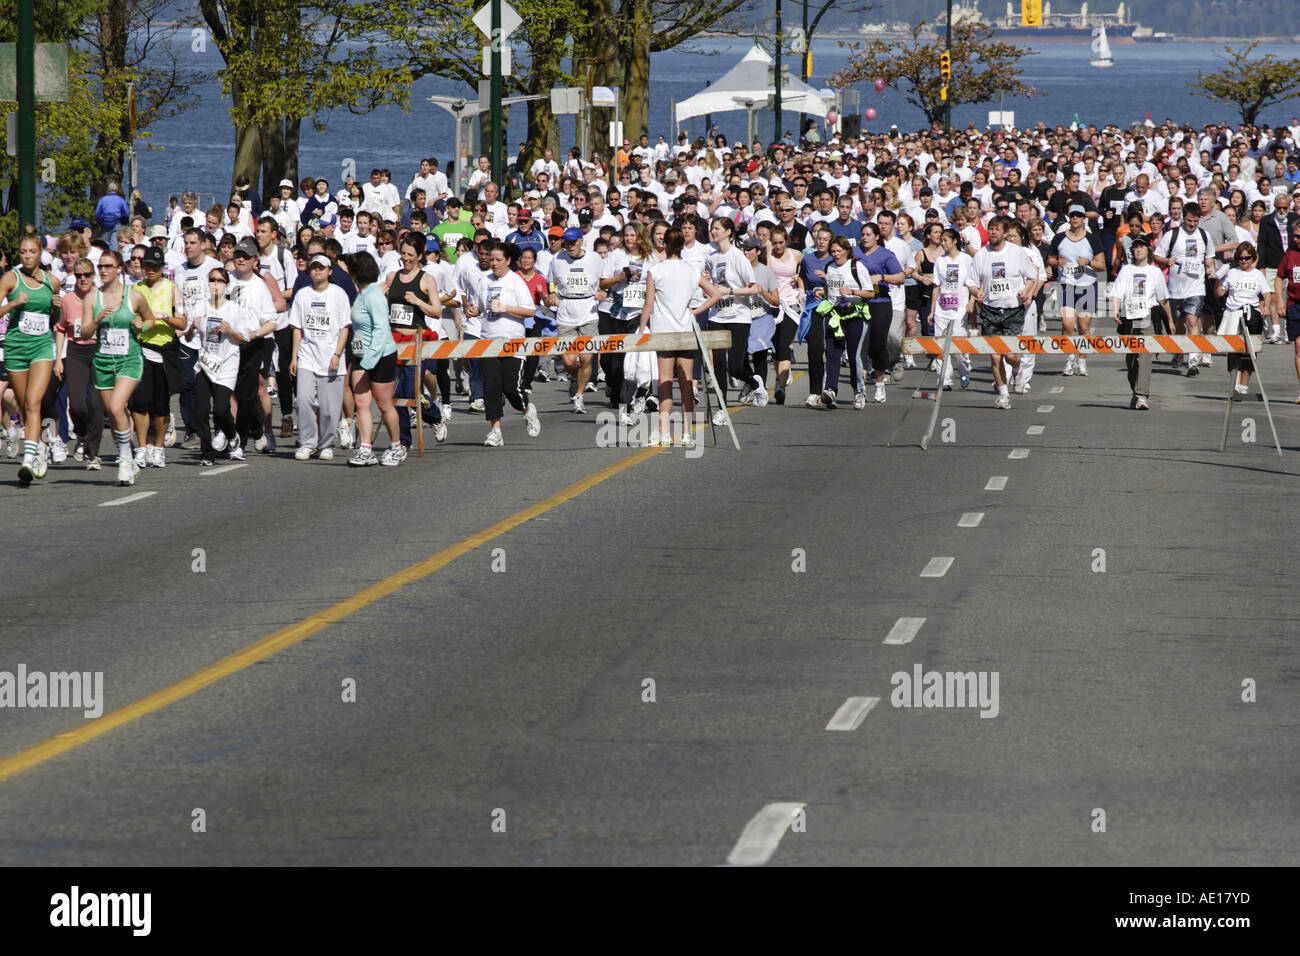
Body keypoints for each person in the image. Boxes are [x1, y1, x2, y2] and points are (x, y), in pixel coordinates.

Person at [80, 250, 164, 486]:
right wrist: (96, 320)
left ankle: (126, 459)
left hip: (130, 358)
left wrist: (142, 326)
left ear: (119, 268)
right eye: (101, 267)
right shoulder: (92, 298)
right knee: (115, 413)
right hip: (104, 361)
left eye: (108, 266)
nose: (103, 271)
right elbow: (84, 332)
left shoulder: (133, 296)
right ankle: (128, 453)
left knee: (118, 406)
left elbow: (149, 319)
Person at [462, 241, 540, 446]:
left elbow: (530, 311)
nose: (494, 263)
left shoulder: (515, 281)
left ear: (507, 261)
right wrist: (472, 311)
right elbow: (479, 307)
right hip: (489, 340)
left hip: (513, 341)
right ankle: (495, 431)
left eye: (498, 260)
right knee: (491, 388)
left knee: (511, 388)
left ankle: (527, 410)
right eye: (491, 259)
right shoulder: (484, 281)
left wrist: (505, 308)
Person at [0, 230, 62, 485]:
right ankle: (38, 449)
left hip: (41, 348)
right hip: (15, 347)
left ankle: (27, 461)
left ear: (40, 253)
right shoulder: (10, 278)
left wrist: (56, 309)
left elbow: (54, 321)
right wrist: (14, 304)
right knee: (25, 405)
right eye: (23, 252)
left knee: (34, 403)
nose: (27, 256)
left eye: (32, 251)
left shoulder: (52, 282)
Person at [639, 224, 709, 446]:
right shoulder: (691, 270)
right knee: (686, 382)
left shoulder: (656, 270)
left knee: (666, 382)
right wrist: (696, 311)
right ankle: (688, 432)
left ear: (666, 244)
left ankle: (664, 431)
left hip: (664, 333)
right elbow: (715, 293)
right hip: (685, 330)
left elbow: (648, 304)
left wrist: (641, 329)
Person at [698, 217, 762, 422]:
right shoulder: (711, 257)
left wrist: (730, 291)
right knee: (717, 365)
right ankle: (721, 409)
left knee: (735, 367)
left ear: (727, 232)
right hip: (717, 315)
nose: (713, 231)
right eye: (712, 228)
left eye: (717, 228)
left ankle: (754, 383)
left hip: (739, 316)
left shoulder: (738, 257)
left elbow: (754, 288)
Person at [969, 216, 1036, 409]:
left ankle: (1017, 370)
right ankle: (1003, 394)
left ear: (1005, 233)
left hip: (1012, 309)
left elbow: (1031, 275)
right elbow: (971, 281)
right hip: (990, 310)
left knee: (1011, 355)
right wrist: (976, 292)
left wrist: (1026, 290)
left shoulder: (1017, 253)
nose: (993, 232)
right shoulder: (981, 255)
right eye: (991, 229)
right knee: (994, 355)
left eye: (997, 229)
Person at [343, 252, 404, 465]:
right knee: (361, 403)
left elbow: (381, 329)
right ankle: (366, 448)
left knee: (384, 403)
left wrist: (370, 359)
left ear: (356, 273)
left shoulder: (374, 295)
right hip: (360, 353)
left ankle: (397, 446)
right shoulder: (361, 294)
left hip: (381, 354)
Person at [288, 254, 351, 459]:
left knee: (329, 407)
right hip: (307, 355)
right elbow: (297, 328)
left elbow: (344, 327)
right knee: (303, 401)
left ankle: (326, 444)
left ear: (329, 271)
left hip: (331, 357)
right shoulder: (302, 295)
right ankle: (308, 442)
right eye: (314, 267)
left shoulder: (338, 294)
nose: (317, 271)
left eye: (321, 268)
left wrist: (337, 354)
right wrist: (294, 357)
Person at [129, 246, 187, 468]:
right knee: (140, 402)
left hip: (164, 350)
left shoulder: (172, 289)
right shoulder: (136, 289)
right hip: (141, 347)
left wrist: (163, 317)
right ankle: (142, 447)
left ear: (162, 267)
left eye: (155, 266)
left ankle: (159, 447)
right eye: (147, 266)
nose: (150, 270)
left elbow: (183, 322)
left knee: (161, 404)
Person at [193, 266, 256, 464]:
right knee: (201, 410)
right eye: (212, 280)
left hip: (226, 364)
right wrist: (191, 327)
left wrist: (230, 332)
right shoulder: (201, 306)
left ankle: (231, 434)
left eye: (220, 281)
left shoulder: (235, 309)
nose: (216, 284)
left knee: (220, 410)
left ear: (227, 285)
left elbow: (245, 338)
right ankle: (207, 453)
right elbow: (187, 334)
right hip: (205, 363)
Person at [545, 226, 606, 413]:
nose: (570, 245)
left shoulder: (594, 259)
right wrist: (553, 294)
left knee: (587, 357)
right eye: (567, 242)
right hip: (566, 313)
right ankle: (575, 378)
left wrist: (603, 292)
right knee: (570, 361)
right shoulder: (557, 259)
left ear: (581, 241)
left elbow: (603, 281)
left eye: (573, 242)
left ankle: (579, 396)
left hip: (588, 310)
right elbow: (550, 281)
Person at [1108, 236, 1171, 410]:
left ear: (1148, 250)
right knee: (1131, 359)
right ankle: (1136, 392)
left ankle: (1142, 395)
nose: (1138, 250)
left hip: (1147, 315)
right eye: (1135, 247)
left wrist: (1170, 321)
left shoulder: (1155, 272)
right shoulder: (1126, 270)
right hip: (1129, 316)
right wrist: (1115, 310)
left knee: (1144, 355)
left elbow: (1163, 299)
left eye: (1141, 247)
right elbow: (1118, 292)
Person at [55, 256, 105, 469]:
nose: (82, 279)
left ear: (93, 276)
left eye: (87, 275)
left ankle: (93, 455)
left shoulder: (102, 297)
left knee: (95, 404)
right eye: (78, 275)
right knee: (76, 405)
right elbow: (60, 329)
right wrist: (58, 358)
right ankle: (82, 434)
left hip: (99, 351)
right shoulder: (68, 300)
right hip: (75, 352)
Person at [1048, 204, 1105, 377]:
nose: (1075, 218)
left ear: (1083, 219)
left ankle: (1082, 361)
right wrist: (1057, 263)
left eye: (1079, 216)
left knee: (1083, 326)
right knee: (1067, 323)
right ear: (1069, 217)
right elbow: (1050, 258)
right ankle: (1069, 359)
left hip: (1087, 286)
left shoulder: (1092, 239)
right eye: (1073, 215)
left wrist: (1088, 263)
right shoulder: (1059, 238)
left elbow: (1101, 265)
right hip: (1066, 284)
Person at [1215, 241, 1272, 398]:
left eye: (1247, 258)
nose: (1244, 261)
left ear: (1252, 258)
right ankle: (1236, 382)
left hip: (1251, 313)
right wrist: (1218, 277)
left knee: (1250, 350)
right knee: (1233, 350)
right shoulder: (1232, 272)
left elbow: (1267, 293)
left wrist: (1266, 307)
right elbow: (1220, 293)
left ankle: (1243, 384)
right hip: (1233, 312)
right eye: (1240, 258)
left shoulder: (1257, 275)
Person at [928, 228, 974, 391]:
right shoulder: (940, 261)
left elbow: (972, 284)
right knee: (940, 346)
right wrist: (932, 311)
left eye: (946, 240)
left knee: (959, 347)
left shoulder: (966, 259)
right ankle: (945, 379)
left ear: (955, 241)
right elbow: (936, 286)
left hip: (959, 309)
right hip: (942, 308)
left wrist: (971, 302)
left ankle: (964, 371)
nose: (943, 243)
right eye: (941, 240)